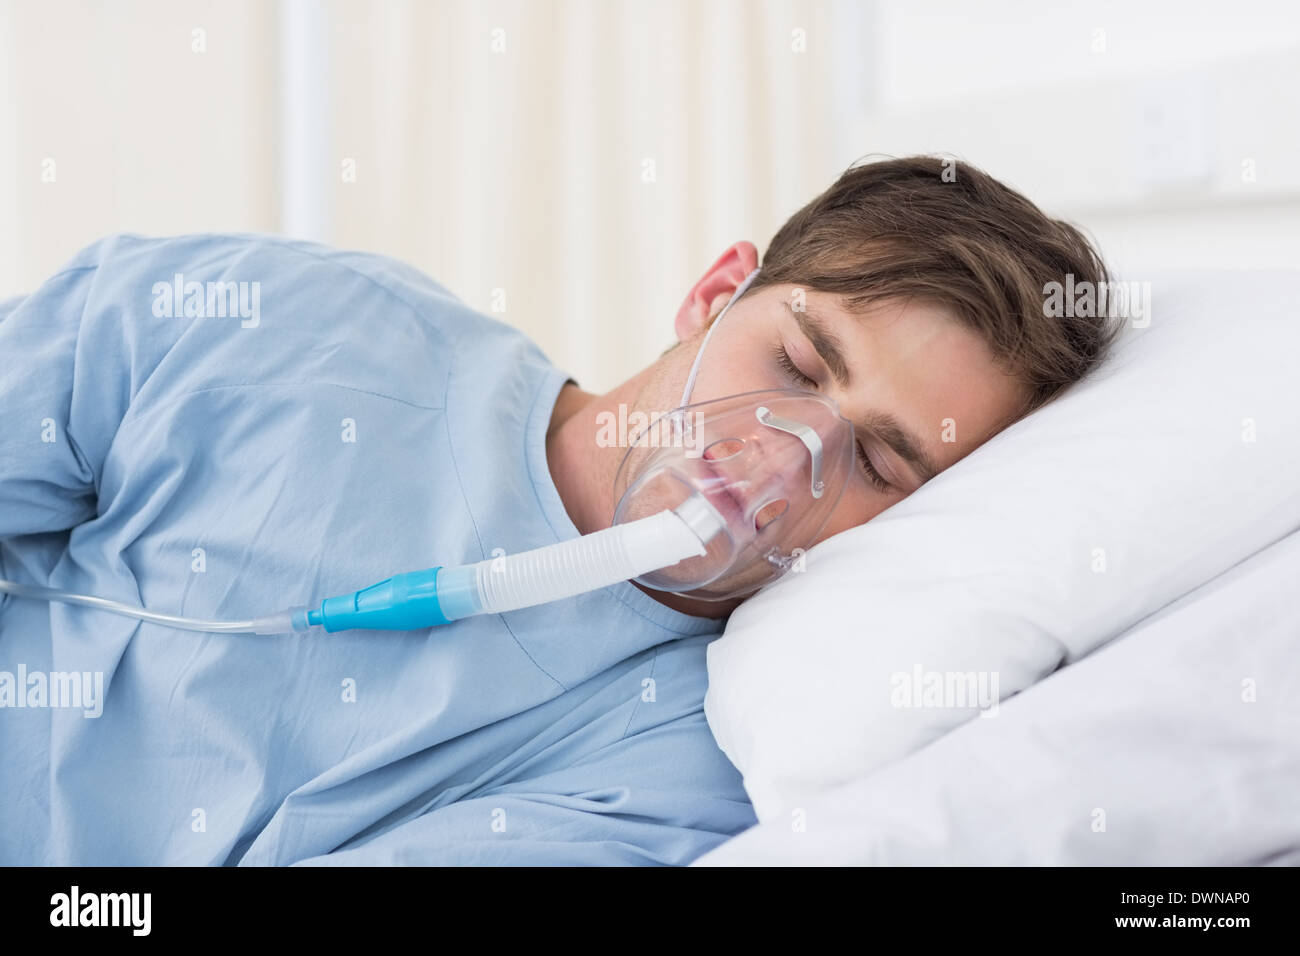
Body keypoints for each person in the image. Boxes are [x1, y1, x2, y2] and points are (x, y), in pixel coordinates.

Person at [0, 155, 1121, 865]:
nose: (785, 460)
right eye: (797, 357)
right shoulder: (285, 328)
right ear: (712, 291)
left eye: (879, 461)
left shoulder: (687, 762)